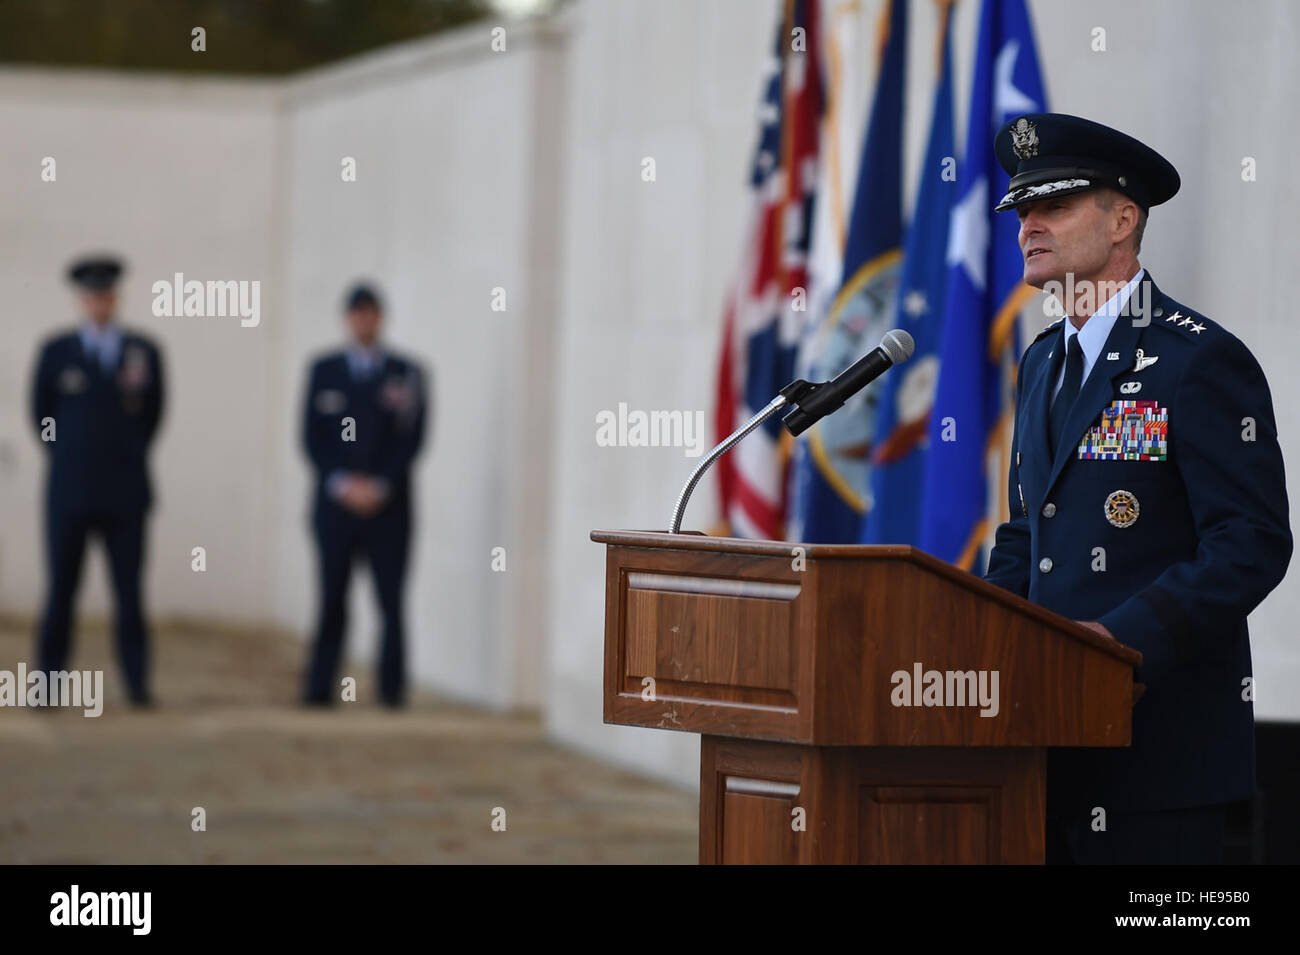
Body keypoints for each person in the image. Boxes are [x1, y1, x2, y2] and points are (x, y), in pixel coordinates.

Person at [983, 113, 1292, 864]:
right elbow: (1027, 534)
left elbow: (1250, 542)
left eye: (1053, 205)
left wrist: (1122, 643)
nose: (1029, 225)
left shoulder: (1199, 359)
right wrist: (980, 640)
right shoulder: (1042, 363)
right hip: (1038, 749)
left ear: (1124, 218)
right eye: (1022, 210)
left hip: (1157, 759)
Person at [29, 255, 166, 706]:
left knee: (129, 595)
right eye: (91, 295)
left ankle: (137, 687)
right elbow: (42, 418)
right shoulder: (56, 352)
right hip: (68, 494)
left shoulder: (143, 351)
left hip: (126, 495)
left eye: (105, 294)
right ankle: (48, 689)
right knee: (61, 594)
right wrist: (70, 455)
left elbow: (151, 417)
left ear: (115, 298)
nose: (98, 302)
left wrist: (118, 455)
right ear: (81, 300)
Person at [302, 283, 427, 707]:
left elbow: (412, 439)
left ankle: (392, 694)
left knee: (390, 602)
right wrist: (342, 482)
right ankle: (319, 691)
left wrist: (379, 485)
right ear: (348, 319)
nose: (363, 320)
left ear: (380, 317)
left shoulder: (407, 373)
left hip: (388, 510)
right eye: (357, 313)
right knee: (331, 599)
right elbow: (312, 438)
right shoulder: (324, 370)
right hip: (336, 508)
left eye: (370, 313)